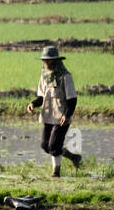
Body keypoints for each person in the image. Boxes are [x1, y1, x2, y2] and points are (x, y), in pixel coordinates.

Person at [26, 45, 81, 177]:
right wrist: (33, 104)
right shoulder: (44, 76)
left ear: (55, 60)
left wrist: (67, 115)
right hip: (48, 116)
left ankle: (56, 172)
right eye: (44, 59)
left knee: (54, 146)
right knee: (45, 145)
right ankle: (72, 156)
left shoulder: (65, 77)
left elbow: (72, 99)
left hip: (61, 117)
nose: (45, 62)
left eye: (48, 60)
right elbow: (42, 97)